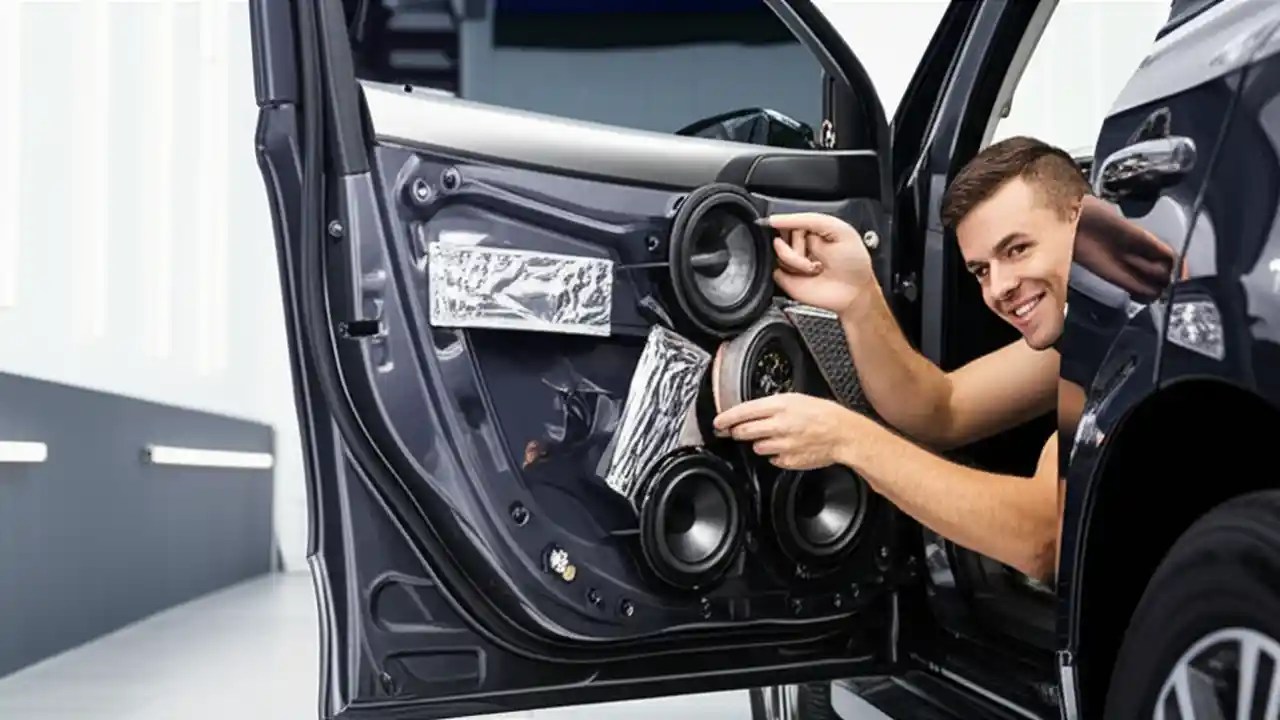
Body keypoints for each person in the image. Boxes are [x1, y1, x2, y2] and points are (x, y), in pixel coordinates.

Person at [712, 136, 1097, 584]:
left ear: (1082, 218)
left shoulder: (1138, 334)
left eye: (1017, 250)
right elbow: (944, 408)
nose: (999, 288)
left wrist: (847, 440)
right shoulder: (1083, 331)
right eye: (981, 270)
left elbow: (1043, 540)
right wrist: (858, 300)